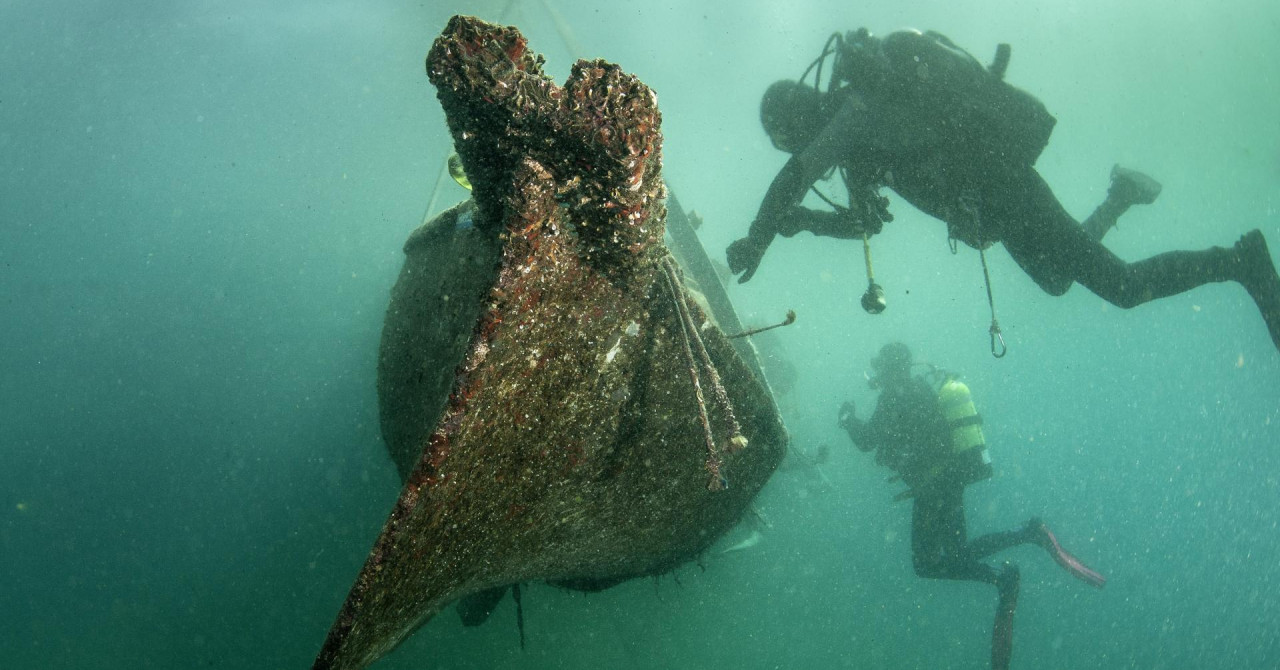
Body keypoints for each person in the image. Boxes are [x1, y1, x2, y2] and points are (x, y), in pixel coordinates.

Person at [727, 28, 1280, 353]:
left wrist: (759, 237)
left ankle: (1240, 261)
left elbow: (793, 178)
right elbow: (864, 224)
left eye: (790, 143)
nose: (802, 158)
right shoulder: (859, 151)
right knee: (1059, 280)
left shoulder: (855, 115)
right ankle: (1121, 196)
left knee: (1123, 287)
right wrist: (805, 224)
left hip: (1007, 192)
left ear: (797, 125)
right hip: (998, 205)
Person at [838, 342, 1104, 670]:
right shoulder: (921, 390)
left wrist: (848, 418)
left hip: (933, 488)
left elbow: (867, 441)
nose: (878, 374)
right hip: (950, 479)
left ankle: (1003, 577)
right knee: (958, 553)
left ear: (890, 369)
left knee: (926, 564)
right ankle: (1028, 533)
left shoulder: (895, 396)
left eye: (881, 368)